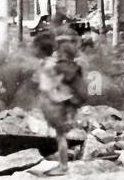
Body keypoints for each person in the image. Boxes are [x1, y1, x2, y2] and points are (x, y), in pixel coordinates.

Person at [37, 31, 90, 167]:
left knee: (61, 136)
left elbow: (59, 84)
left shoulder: (62, 66)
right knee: (61, 135)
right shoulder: (73, 64)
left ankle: (63, 165)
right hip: (68, 100)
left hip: (65, 101)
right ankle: (63, 163)